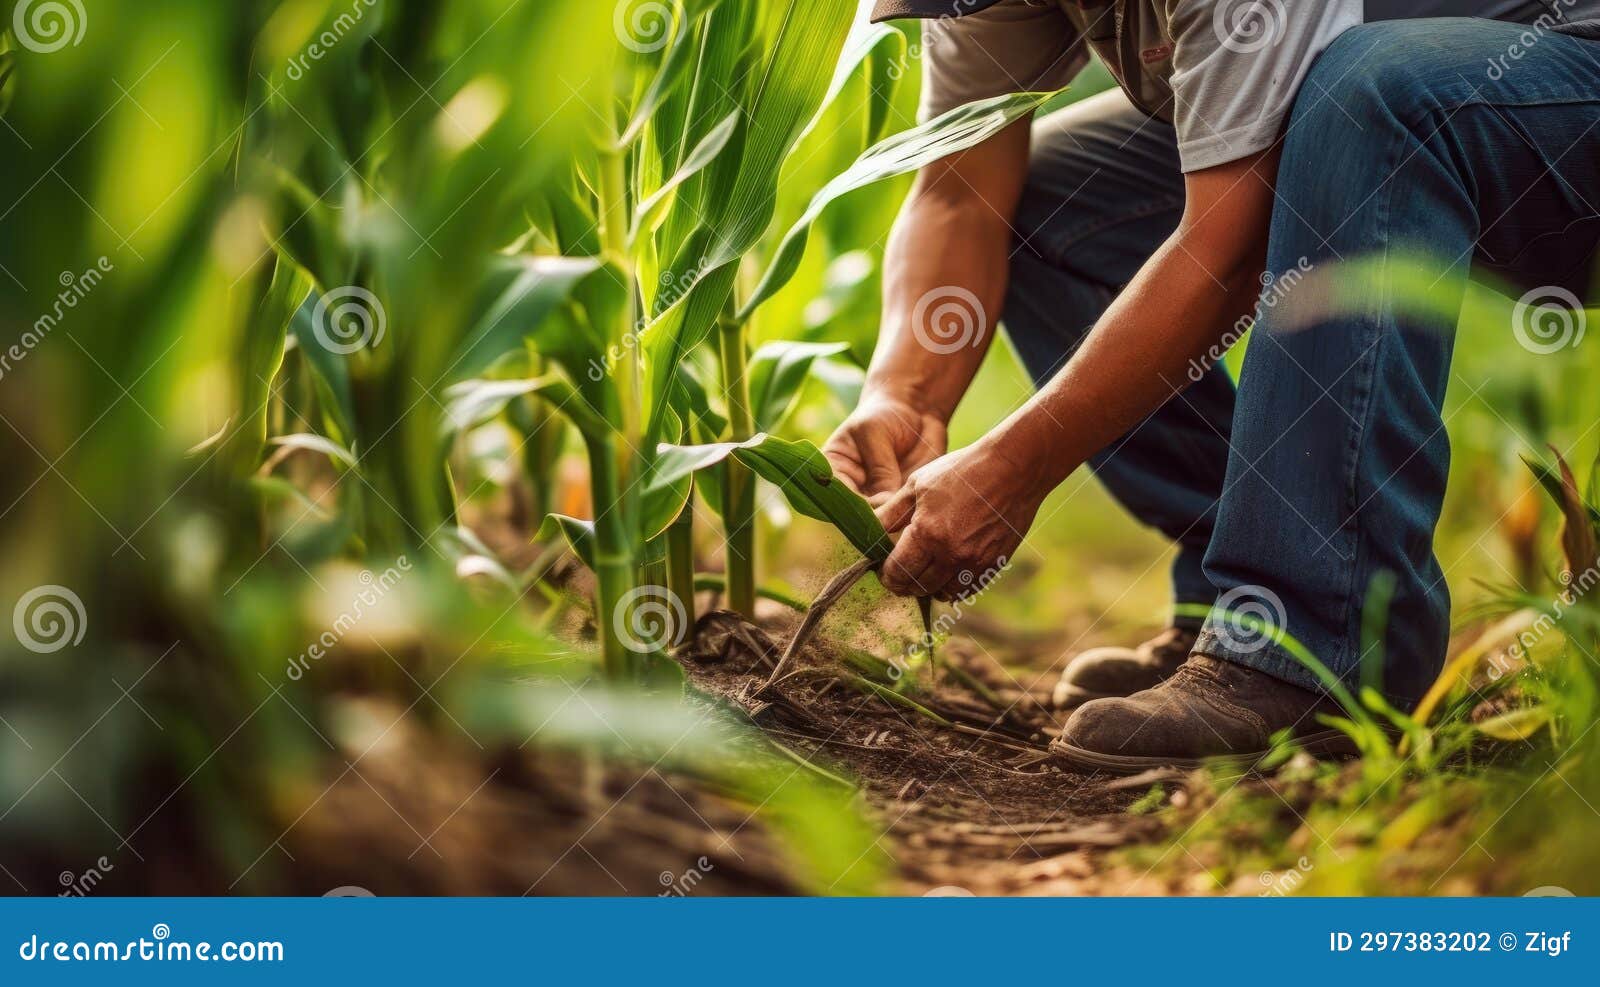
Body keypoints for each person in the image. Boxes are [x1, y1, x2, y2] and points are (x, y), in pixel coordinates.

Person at [825, 0, 1600, 771]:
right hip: (1404, 113)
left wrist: (1010, 469)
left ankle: (1315, 644)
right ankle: (1240, 595)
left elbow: (1225, 250)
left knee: (1371, 93)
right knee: (1055, 194)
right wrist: (906, 397)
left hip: (1562, 83)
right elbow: (961, 192)